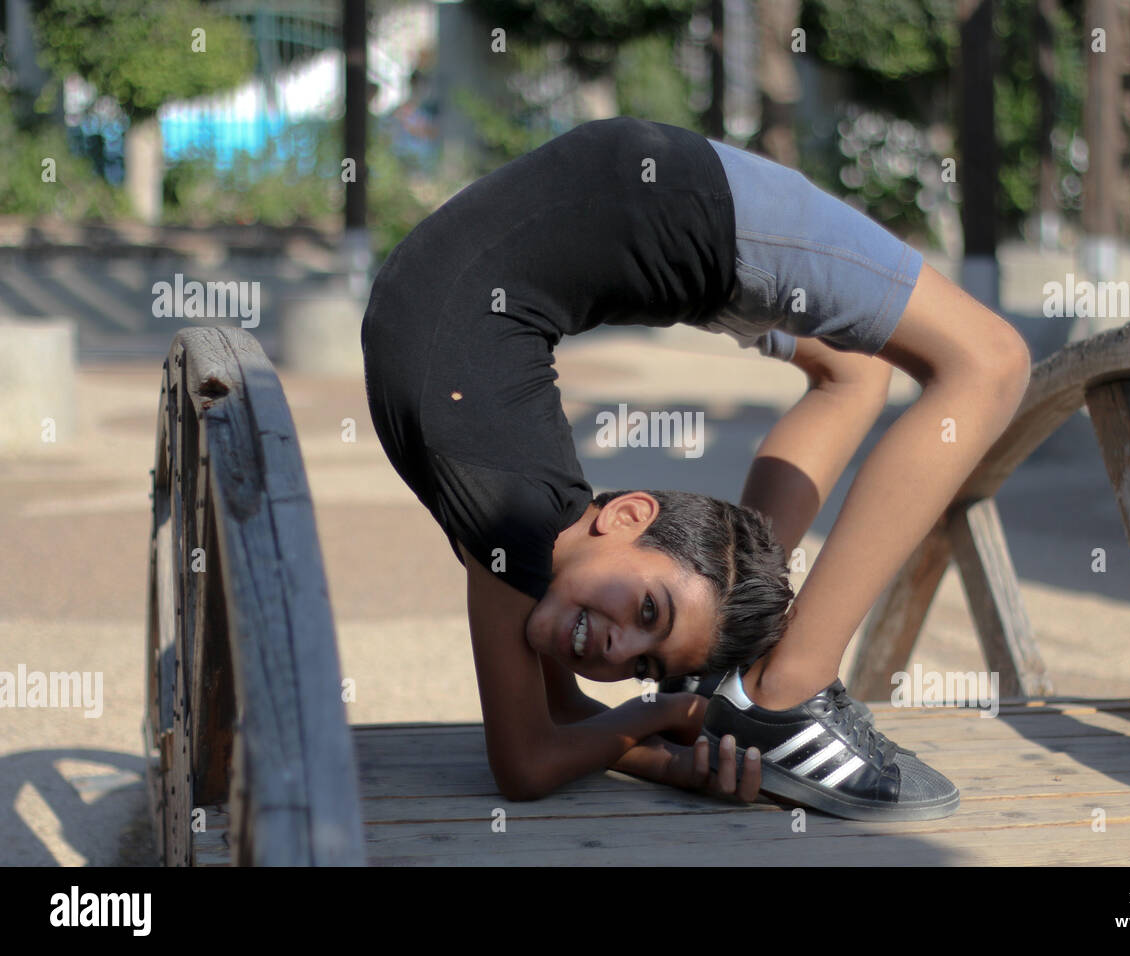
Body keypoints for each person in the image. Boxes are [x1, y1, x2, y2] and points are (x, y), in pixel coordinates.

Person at [360, 116, 1031, 820]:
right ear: (624, 515)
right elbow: (529, 759)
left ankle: (731, 676)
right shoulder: (523, 520)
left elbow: (555, 731)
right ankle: (785, 689)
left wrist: (682, 754)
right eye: (651, 615)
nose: (620, 654)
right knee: (989, 362)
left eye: (646, 670)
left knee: (857, 372)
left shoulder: (527, 532)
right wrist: (661, 722)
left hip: (662, 207)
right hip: (686, 206)